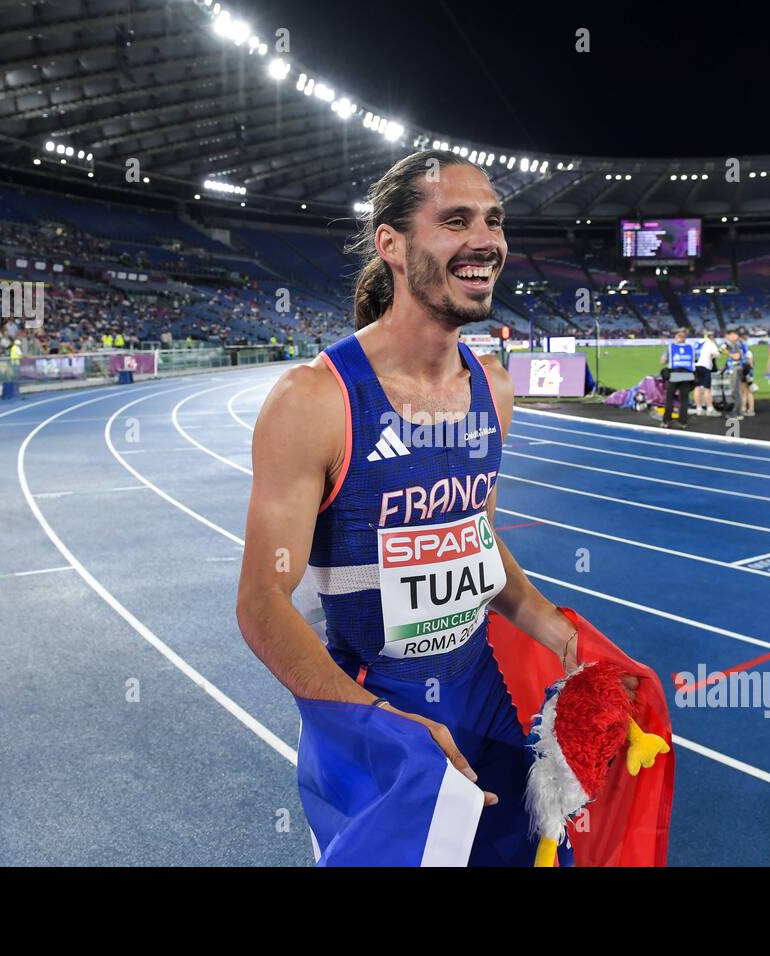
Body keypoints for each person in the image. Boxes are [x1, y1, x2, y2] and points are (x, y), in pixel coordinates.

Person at [236, 150, 635, 866]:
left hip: (479, 691)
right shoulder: (315, 401)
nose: (487, 239)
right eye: (455, 221)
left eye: (493, 221)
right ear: (391, 245)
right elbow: (262, 602)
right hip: (376, 710)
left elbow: (474, 533)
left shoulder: (494, 390)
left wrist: (558, 631)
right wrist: (381, 723)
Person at [659, 327, 695, 429]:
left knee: (669, 398)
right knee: (684, 400)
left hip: (675, 374)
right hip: (687, 375)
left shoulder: (671, 347)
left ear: (676, 338)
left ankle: (666, 421)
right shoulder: (691, 348)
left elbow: (662, 361)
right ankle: (683, 422)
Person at [691, 330, 721, 416]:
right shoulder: (709, 343)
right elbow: (717, 354)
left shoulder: (696, 343)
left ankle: (699, 409)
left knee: (697, 388)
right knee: (707, 389)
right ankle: (710, 409)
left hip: (695, 366)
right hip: (704, 366)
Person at [739, 330, 756, 416]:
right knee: (746, 391)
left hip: (746, 373)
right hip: (747, 373)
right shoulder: (747, 352)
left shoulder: (745, 352)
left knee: (746, 391)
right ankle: (748, 409)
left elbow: (751, 364)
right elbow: (752, 364)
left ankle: (746, 408)